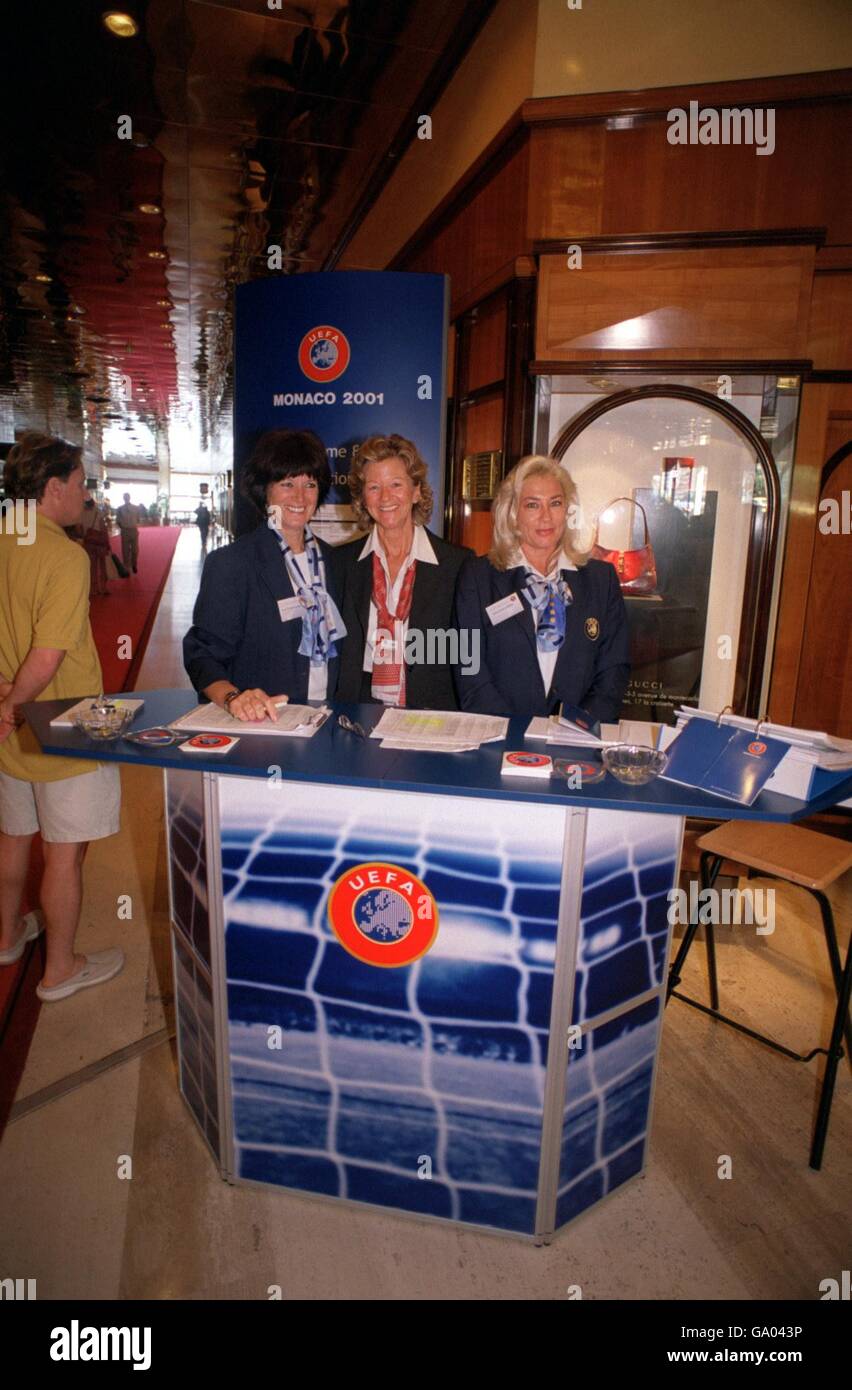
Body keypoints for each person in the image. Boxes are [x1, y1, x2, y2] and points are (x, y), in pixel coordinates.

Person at [0, 432, 123, 1000]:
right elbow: (48, 658)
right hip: (61, 725)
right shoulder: (64, 555)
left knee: (13, 836)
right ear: (54, 489)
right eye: (79, 483)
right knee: (64, 855)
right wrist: (12, 705)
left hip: (9, 733)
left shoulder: (4, 536)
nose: (84, 493)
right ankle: (60, 970)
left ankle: (6, 936)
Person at [453, 455, 630, 721]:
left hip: (576, 745)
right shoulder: (477, 577)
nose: (546, 516)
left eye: (555, 503)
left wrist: (578, 728)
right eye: (532, 505)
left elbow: (614, 670)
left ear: (568, 510)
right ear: (513, 514)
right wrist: (514, 736)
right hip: (500, 741)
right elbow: (469, 670)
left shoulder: (601, 580)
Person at [183, 429, 345, 719]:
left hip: (325, 719)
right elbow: (202, 654)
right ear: (264, 489)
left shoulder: (334, 562)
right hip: (260, 724)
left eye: (309, 484)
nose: (299, 496)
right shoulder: (233, 563)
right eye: (286, 483)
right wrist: (233, 698)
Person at [334, 434, 472, 709]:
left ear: (417, 490)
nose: (385, 497)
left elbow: (466, 655)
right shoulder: (342, 563)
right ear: (363, 496)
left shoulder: (458, 565)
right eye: (373, 487)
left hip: (431, 712)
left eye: (396, 484)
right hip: (359, 707)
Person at [77, 498, 111, 597]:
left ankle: (93, 589)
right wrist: (107, 541)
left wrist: (84, 536)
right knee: (102, 565)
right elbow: (103, 527)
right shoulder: (98, 512)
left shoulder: (81, 513)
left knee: (92, 567)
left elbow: (79, 528)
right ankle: (103, 587)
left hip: (88, 543)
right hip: (99, 542)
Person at [115, 492, 141, 572]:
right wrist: (123, 527)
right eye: (125, 497)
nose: (126, 498)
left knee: (135, 550)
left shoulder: (136, 508)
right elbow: (118, 520)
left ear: (129, 497)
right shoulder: (120, 509)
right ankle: (126, 566)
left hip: (133, 530)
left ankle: (134, 564)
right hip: (125, 530)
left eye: (127, 497)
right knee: (125, 550)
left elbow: (138, 519)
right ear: (123, 498)